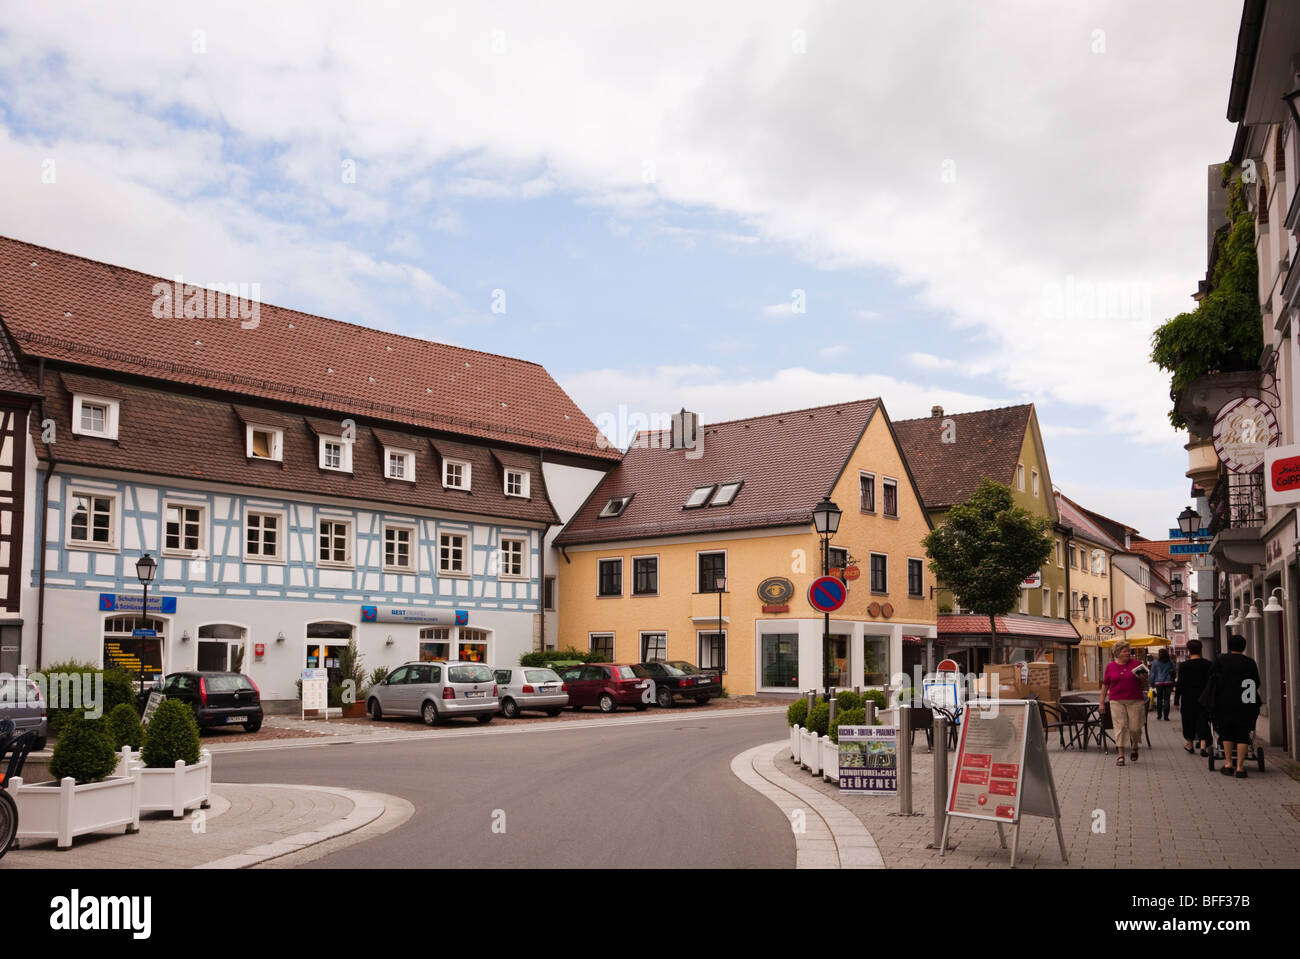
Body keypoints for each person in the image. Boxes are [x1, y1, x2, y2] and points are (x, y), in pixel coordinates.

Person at [1209, 634, 1263, 779]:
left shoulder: (1221, 660)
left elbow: (1212, 680)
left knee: (1226, 733)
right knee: (1243, 735)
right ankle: (1240, 768)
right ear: (1244, 647)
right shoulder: (1250, 662)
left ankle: (1228, 764)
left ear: (1229, 646)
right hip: (1245, 704)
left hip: (1224, 704)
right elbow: (1255, 683)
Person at [1101, 640, 1146, 765]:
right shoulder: (1110, 666)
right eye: (1125, 651)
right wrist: (1101, 703)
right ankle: (1120, 755)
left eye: (1129, 651)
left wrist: (1143, 679)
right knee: (1120, 727)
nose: (1128, 653)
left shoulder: (1137, 664)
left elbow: (1145, 683)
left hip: (1135, 700)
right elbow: (1105, 685)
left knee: (1135, 728)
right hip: (1116, 700)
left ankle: (1135, 745)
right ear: (1118, 653)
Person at [1174, 639, 1212, 755]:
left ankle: (1190, 744)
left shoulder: (1184, 666)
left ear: (1189, 650)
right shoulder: (1208, 664)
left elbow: (1180, 683)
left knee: (1188, 720)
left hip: (1188, 698)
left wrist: (1176, 700)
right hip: (1203, 698)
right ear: (1201, 649)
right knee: (1202, 720)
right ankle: (1203, 746)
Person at [1150, 647, 1176, 720]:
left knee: (1159, 699)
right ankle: (1166, 716)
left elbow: (1152, 674)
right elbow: (1174, 671)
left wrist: (1152, 683)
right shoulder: (1170, 662)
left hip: (1159, 683)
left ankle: (1159, 715)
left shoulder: (1155, 662)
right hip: (1168, 682)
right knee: (1167, 699)